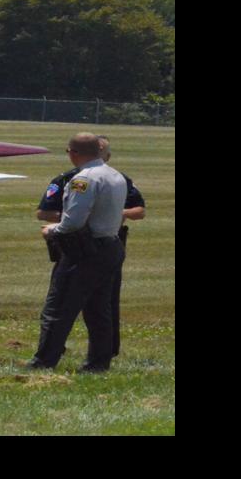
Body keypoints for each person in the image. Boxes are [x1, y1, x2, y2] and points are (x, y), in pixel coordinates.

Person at [34, 137, 145, 357]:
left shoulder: (82, 179)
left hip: (85, 249)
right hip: (112, 245)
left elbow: (73, 222)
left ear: (73, 152)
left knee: (58, 308)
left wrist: (52, 230)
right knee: (99, 309)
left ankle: (44, 361)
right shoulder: (117, 176)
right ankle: (98, 362)